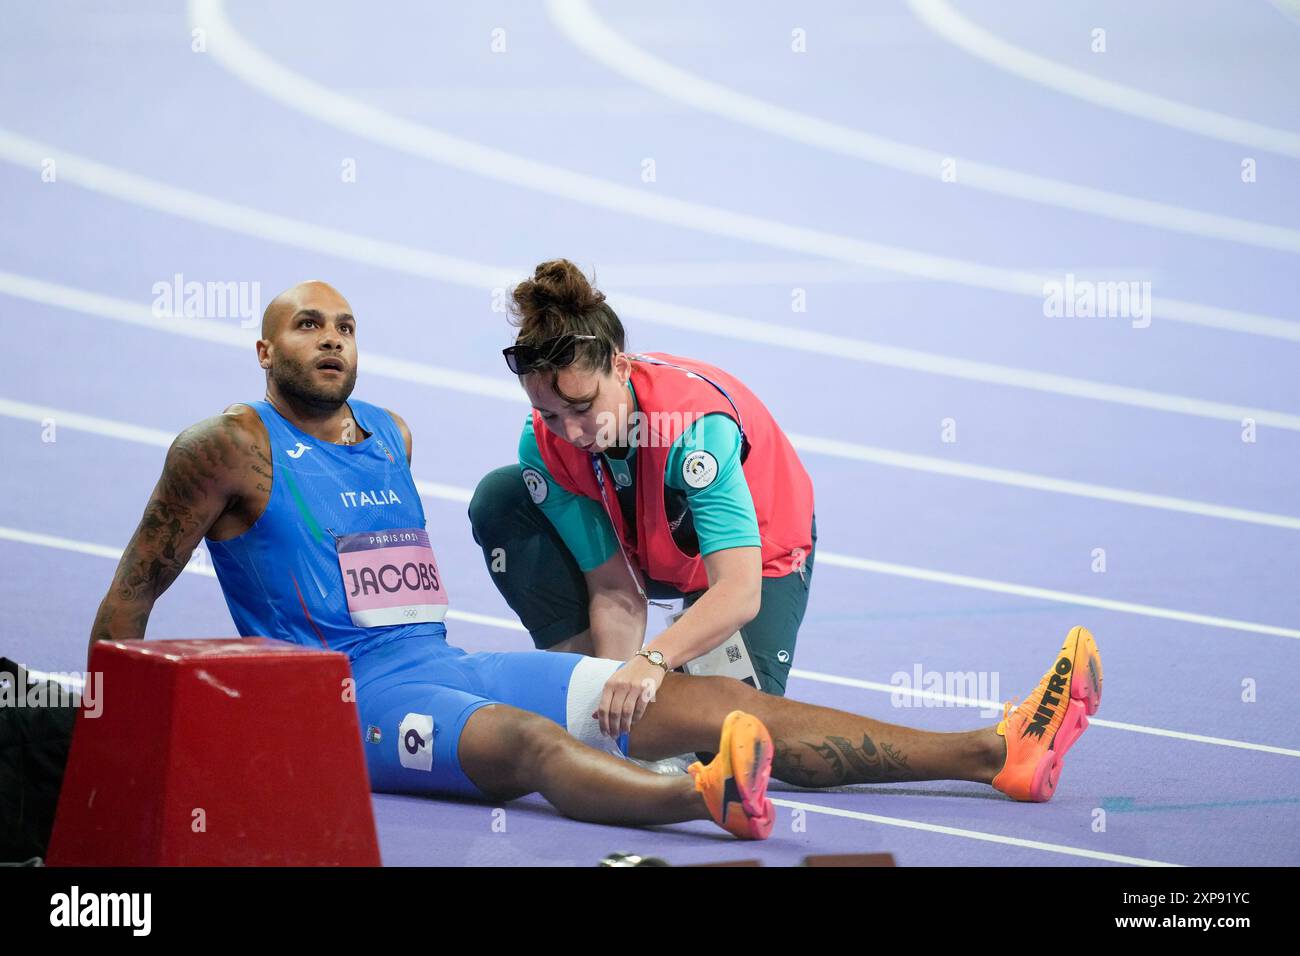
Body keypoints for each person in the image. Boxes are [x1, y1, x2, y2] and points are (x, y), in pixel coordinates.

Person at [89, 280, 1104, 843]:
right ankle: (700, 795)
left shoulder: (389, 433)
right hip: (344, 703)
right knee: (531, 741)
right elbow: (134, 589)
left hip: (465, 656)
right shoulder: (225, 447)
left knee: (710, 705)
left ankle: (992, 750)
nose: (331, 340)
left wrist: (638, 675)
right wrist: (103, 740)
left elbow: (730, 584)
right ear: (263, 351)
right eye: (306, 326)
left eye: (346, 326)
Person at [470, 260, 816, 729]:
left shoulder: (694, 433)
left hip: (752, 555)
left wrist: (652, 660)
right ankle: (577, 681)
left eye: (583, 407)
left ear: (620, 366)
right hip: (649, 545)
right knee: (502, 498)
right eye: (549, 414)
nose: (572, 432)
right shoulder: (544, 444)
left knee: (720, 731)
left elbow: (738, 591)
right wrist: (607, 698)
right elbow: (614, 587)